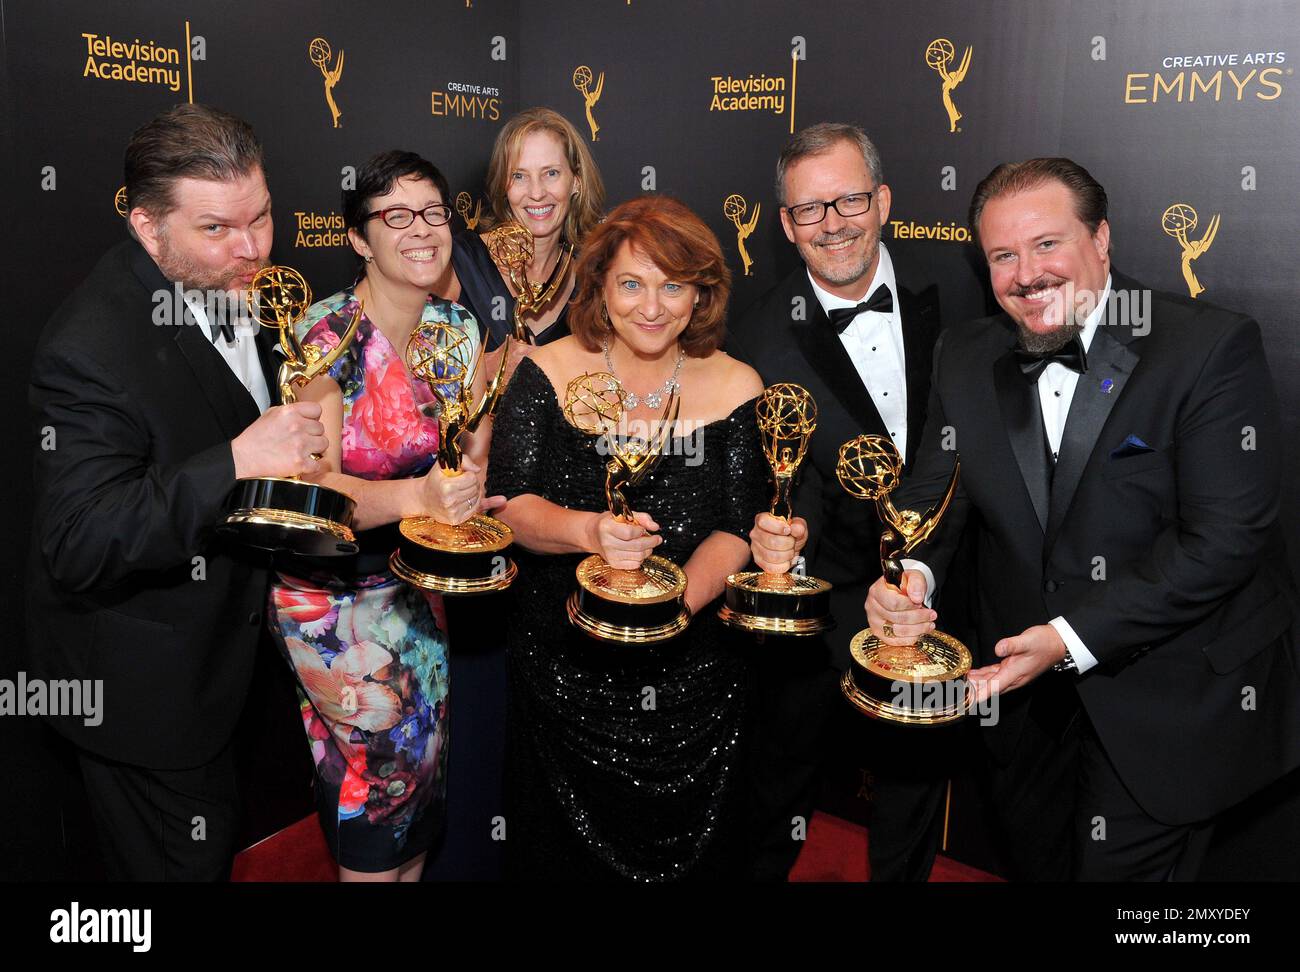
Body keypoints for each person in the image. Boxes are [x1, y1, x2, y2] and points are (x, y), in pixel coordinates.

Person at [866, 157, 1300, 880]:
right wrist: (908, 574)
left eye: (1047, 245)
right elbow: (935, 494)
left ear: (1101, 240)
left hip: (1167, 689)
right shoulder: (965, 353)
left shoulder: (1206, 346)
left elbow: (1226, 539)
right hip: (1021, 698)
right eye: (1002, 255)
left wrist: (1067, 639)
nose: (1025, 274)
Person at [27, 104, 324, 880]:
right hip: (145, 703)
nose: (253, 248)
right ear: (147, 229)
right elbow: (81, 538)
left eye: (261, 217)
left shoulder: (238, 281)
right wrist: (237, 458)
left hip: (230, 673)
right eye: (217, 230)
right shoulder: (90, 346)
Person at [487, 195, 767, 880]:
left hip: (696, 669)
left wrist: (671, 609)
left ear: (701, 294)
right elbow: (510, 507)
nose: (652, 305)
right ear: (601, 287)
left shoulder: (737, 384)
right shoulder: (548, 370)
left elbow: (737, 528)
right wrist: (589, 533)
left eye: (674, 285)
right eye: (631, 283)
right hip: (564, 658)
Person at [266, 150, 498, 882]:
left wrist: (465, 487)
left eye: (433, 212)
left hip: (417, 591)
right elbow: (313, 496)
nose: (423, 230)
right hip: (330, 604)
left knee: (419, 789)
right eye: (396, 216)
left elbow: (465, 455)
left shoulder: (456, 331)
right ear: (359, 239)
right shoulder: (323, 336)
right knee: (374, 793)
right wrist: (416, 497)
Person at [728, 123, 950, 882]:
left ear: (882, 201)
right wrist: (784, 539)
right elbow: (792, 477)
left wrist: (924, 572)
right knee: (778, 784)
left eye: (850, 198)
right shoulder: (755, 337)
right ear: (786, 225)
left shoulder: (958, 289)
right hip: (824, 594)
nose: (834, 222)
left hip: (943, 582)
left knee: (914, 787)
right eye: (811, 209)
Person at [442, 107, 605, 350]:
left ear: (576, 183)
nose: (536, 193)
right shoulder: (459, 261)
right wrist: (485, 368)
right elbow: (409, 363)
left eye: (551, 173)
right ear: (503, 186)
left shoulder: (592, 279)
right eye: (519, 176)